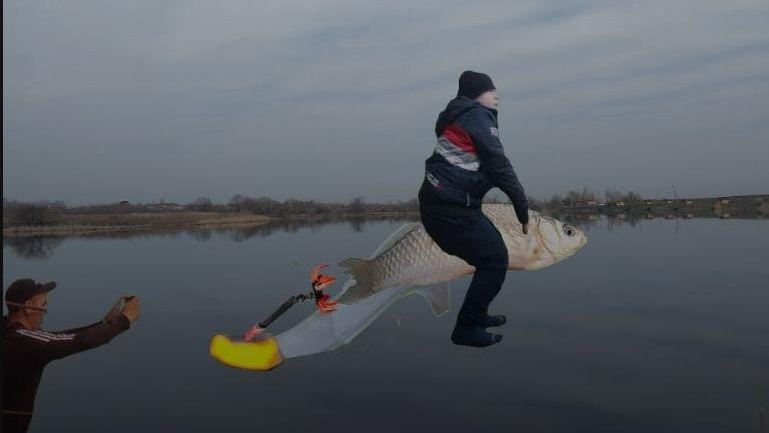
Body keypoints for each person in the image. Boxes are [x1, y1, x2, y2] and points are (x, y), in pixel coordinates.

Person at [418, 70, 529, 348]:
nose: (497, 96)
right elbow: (500, 166)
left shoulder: (457, 118)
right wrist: (522, 208)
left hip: (445, 207)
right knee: (494, 261)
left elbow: (477, 168)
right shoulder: (477, 116)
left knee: (493, 255)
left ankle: (477, 315)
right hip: (451, 211)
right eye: (491, 91)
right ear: (476, 95)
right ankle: (465, 328)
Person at [2, 279, 141, 433]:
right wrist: (124, 320)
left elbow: (61, 337)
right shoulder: (23, 341)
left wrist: (104, 324)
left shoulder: (12, 335)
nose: (44, 311)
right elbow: (78, 341)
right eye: (43, 305)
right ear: (28, 307)